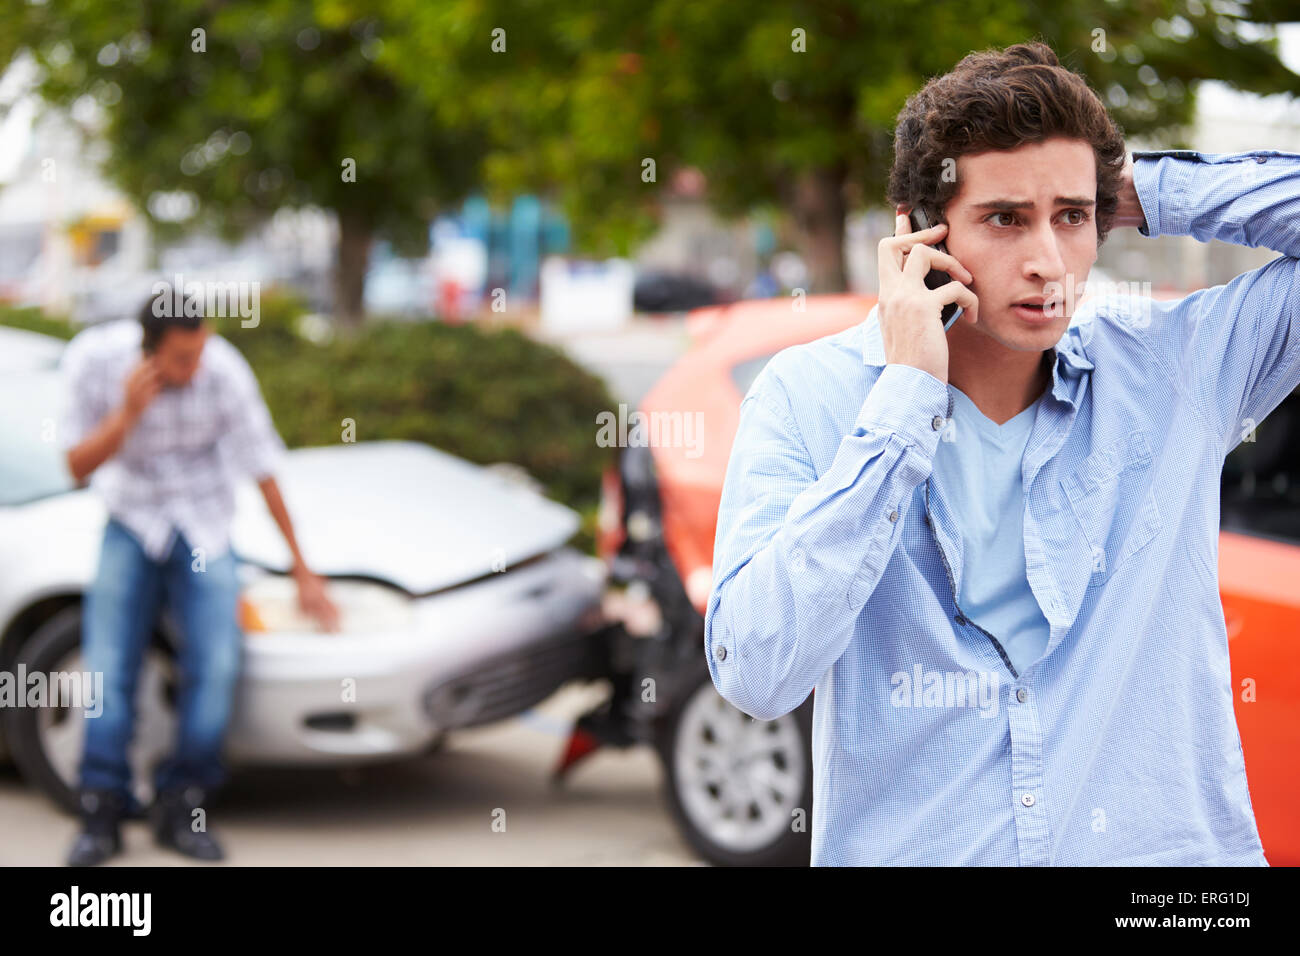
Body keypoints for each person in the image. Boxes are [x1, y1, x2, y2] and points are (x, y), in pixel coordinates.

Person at [705, 41, 1298, 865]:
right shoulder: (810, 397)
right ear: (917, 233)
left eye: (1072, 218)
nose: (1048, 262)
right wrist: (905, 400)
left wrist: (1138, 188)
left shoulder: (1175, 370)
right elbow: (757, 672)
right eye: (1005, 218)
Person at [59, 287, 341, 866]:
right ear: (148, 351)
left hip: (204, 523)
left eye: (201, 351)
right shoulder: (94, 360)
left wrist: (302, 567)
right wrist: (128, 413)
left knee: (216, 663)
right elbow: (76, 467)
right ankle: (102, 808)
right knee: (108, 666)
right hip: (132, 517)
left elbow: (263, 465)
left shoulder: (223, 372)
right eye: (182, 358)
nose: (197, 366)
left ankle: (183, 804)